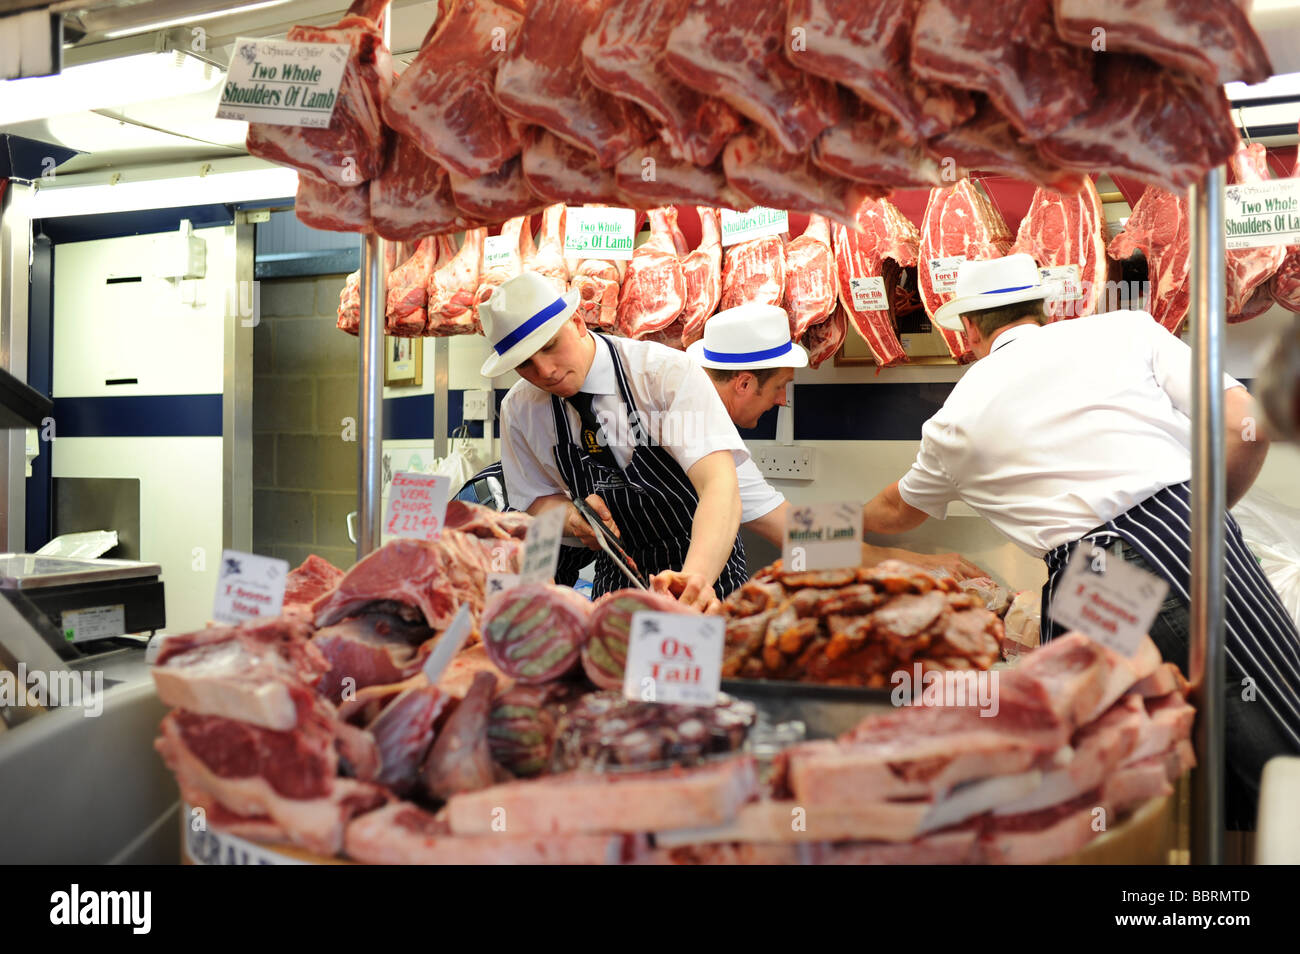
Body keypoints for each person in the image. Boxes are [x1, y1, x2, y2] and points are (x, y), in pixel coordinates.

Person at [859, 252, 1300, 827]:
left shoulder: (955, 416)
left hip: (1090, 578)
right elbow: (1245, 420)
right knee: (1268, 750)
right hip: (1185, 531)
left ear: (966, 327)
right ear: (1041, 307)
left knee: (1108, 782)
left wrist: (820, 523)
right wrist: (1197, 522)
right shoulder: (1124, 329)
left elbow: (895, 510)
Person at [487, 271, 748, 612]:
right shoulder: (520, 410)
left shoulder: (663, 375)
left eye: (550, 346)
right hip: (619, 575)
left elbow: (720, 486)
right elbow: (536, 499)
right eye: (525, 364)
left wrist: (694, 581)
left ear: (578, 322)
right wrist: (573, 518)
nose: (546, 371)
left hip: (707, 570)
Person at [688, 303, 986, 581]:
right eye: (780, 387)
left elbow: (795, 530)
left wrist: (895, 544)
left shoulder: (711, 432)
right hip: (674, 604)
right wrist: (911, 563)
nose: (782, 401)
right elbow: (797, 540)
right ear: (743, 383)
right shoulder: (694, 430)